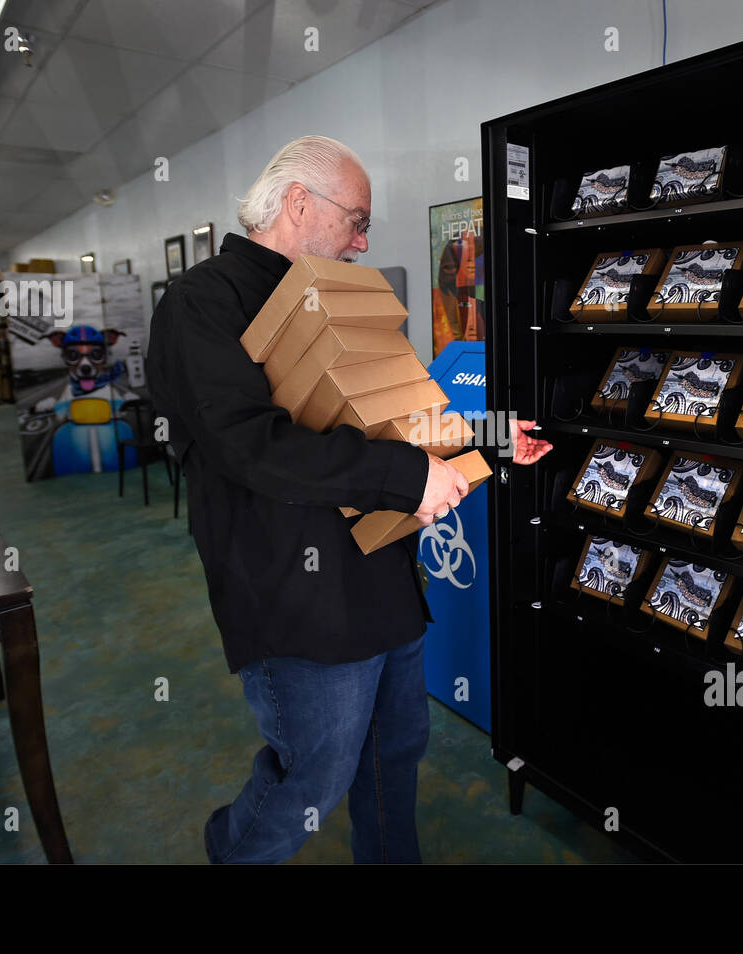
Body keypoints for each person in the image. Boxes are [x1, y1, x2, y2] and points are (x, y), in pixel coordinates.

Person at [146, 135, 551, 864]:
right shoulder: (201, 304)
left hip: (382, 577)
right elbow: (251, 446)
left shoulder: (339, 297)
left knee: (393, 757)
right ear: (299, 203)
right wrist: (406, 479)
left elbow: (400, 415)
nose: (363, 243)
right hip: (297, 601)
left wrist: (489, 438)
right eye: (356, 220)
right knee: (315, 778)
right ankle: (229, 850)